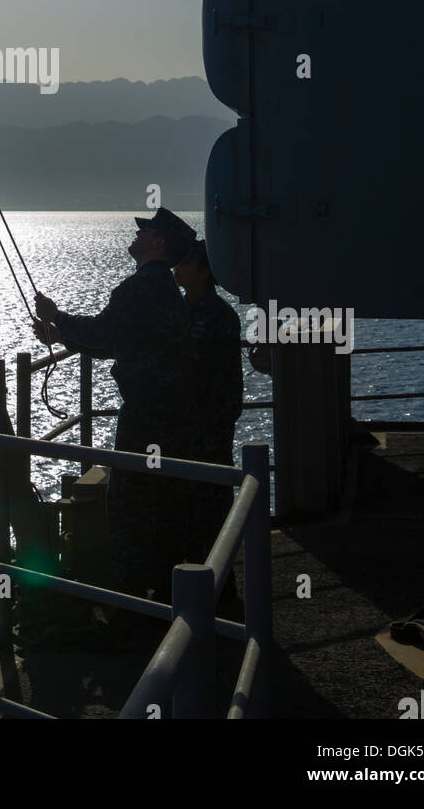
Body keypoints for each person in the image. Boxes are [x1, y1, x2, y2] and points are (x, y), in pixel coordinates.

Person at [32, 206, 201, 613]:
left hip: (146, 418)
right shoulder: (160, 288)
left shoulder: (140, 287)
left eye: (145, 232)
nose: (137, 235)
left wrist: (58, 317)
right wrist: (62, 333)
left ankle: (131, 609)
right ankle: (161, 595)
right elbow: (114, 342)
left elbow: (105, 334)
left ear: (157, 243)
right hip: (166, 415)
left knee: (128, 508)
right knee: (159, 506)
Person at [172, 238, 244, 614]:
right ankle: (199, 584)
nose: (177, 269)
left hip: (208, 426)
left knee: (210, 505)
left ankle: (220, 588)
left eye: (184, 263)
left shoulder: (215, 315)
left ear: (203, 272)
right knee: (190, 506)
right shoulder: (191, 310)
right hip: (193, 425)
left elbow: (215, 374)